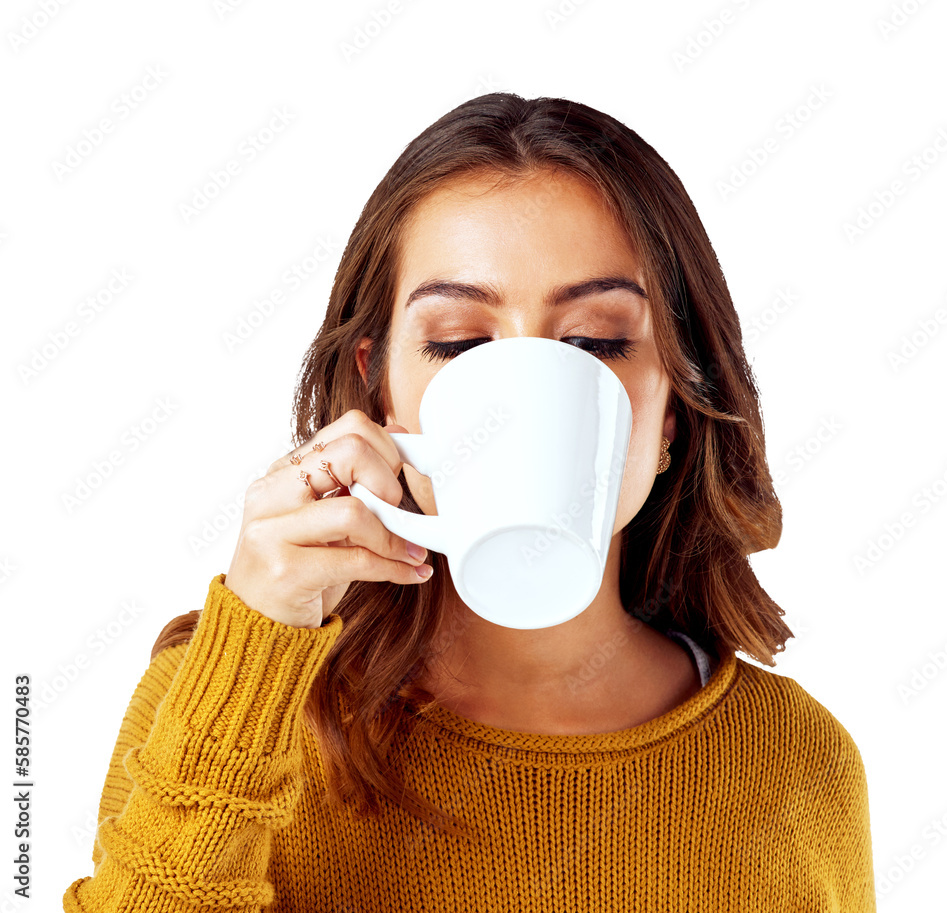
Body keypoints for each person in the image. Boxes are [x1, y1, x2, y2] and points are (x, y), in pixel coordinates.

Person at [64, 92, 876, 911]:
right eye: (457, 344)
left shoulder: (799, 764)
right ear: (381, 389)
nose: (517, 398)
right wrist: (257, 644)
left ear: (672, 406)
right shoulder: (218, 704)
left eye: (596, 342)